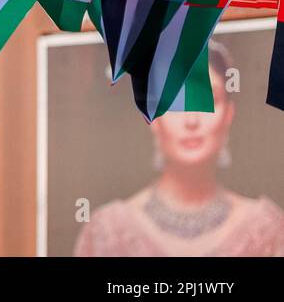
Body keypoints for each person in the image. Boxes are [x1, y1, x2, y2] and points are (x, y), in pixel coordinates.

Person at [74, 42, 284, 256]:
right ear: (152, 118)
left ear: (229, 115)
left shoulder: (267, 229)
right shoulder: (107, 232)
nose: (191, 120)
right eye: (175, 103)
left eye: (208, 100)